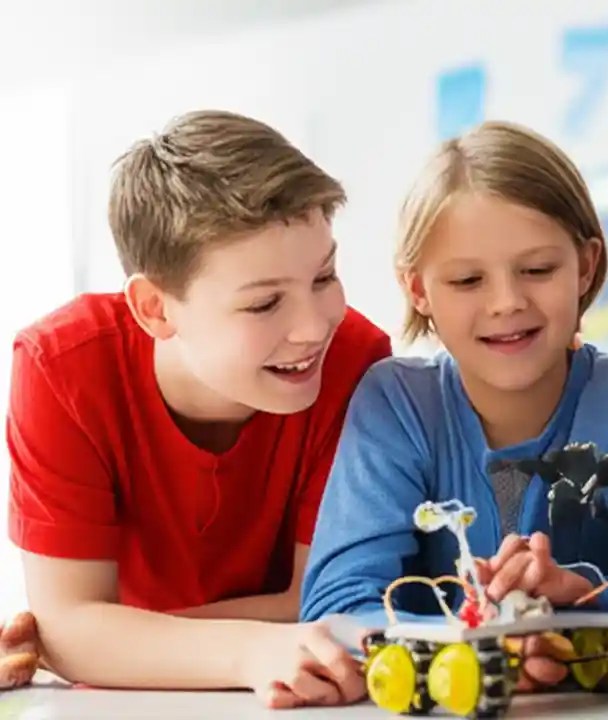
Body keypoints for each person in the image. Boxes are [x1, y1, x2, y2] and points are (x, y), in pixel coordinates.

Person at [299, 121, 608, 686]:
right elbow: (336, 609)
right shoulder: (395, 404)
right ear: (418, 290)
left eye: (538, 270)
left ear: (586, 265)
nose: (507, 302)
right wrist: (481, 651)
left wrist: (578, 605)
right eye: (468, 280)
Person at [2, 110, 389, 708]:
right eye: (264, 305)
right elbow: (69, 630)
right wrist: (248, 650)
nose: (316, 326)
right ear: (155, 308)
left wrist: (100, 637)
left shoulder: (357, 360)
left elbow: (314, 599)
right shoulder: (61, 366)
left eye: (326, 275)